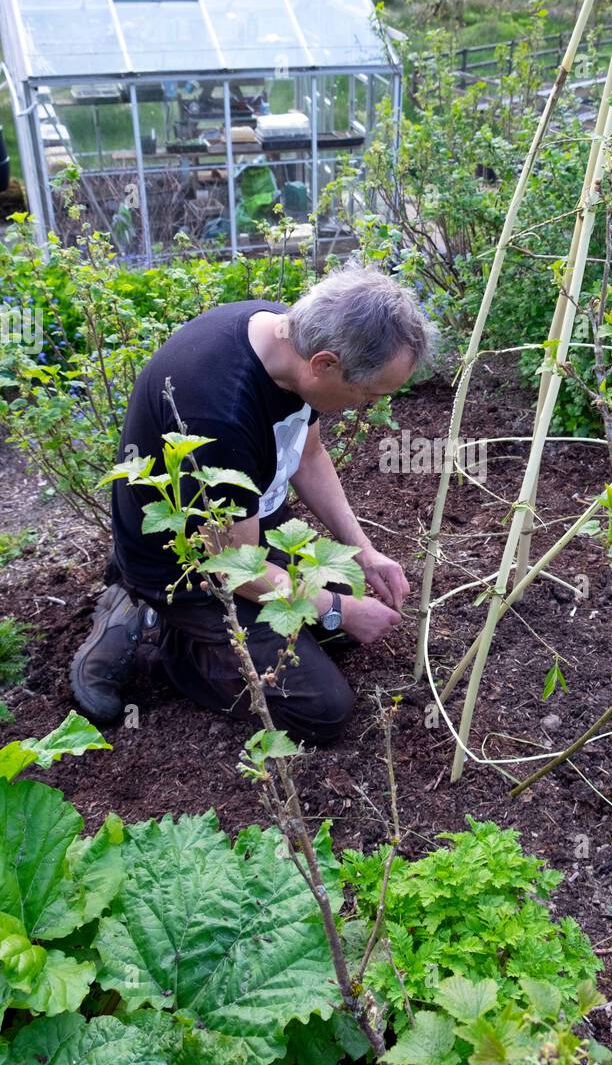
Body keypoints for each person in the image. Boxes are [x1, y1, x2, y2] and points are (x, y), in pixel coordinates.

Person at [70, 261, 438, 745]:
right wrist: (336, 610)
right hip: (186, 565)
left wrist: (363, 551)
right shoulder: (218, 412)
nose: (366, 405)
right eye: (367, 393)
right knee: (324, 710)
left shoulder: (287, 337)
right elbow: (230, 570)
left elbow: (309, 455)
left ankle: (162, 615)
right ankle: (161, 635)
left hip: (241, 530)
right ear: (325, 364)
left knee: (346, 611)